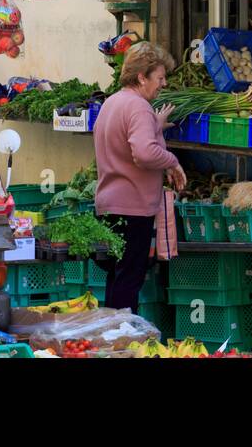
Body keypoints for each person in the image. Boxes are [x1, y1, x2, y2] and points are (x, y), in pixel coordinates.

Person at [92, 42, 187, 313]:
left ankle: (111, 339)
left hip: (108, 205)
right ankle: (123, 340)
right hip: (132, 209)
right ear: (142, 77)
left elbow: (125, 140)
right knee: (128, 281)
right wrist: (172, 161)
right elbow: (144, 154)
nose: (163, 83)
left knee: (117, 277)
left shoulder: (113, 103)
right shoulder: (138, 107)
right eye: (159, 77)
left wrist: (154, 126)